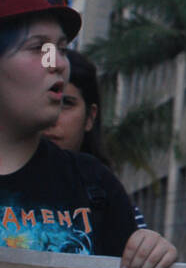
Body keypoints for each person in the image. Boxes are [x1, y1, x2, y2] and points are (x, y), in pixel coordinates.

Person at [0, 0, 176, 268]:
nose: (58, 63)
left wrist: (152, 251)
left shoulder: (93, 183)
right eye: (38, 48)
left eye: (63, 48)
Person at [44, 49, 148, 230]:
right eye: (45, 100)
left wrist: (155, 249)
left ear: (90, 117)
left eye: (66, 103)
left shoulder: (111, 201)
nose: (53, 118)